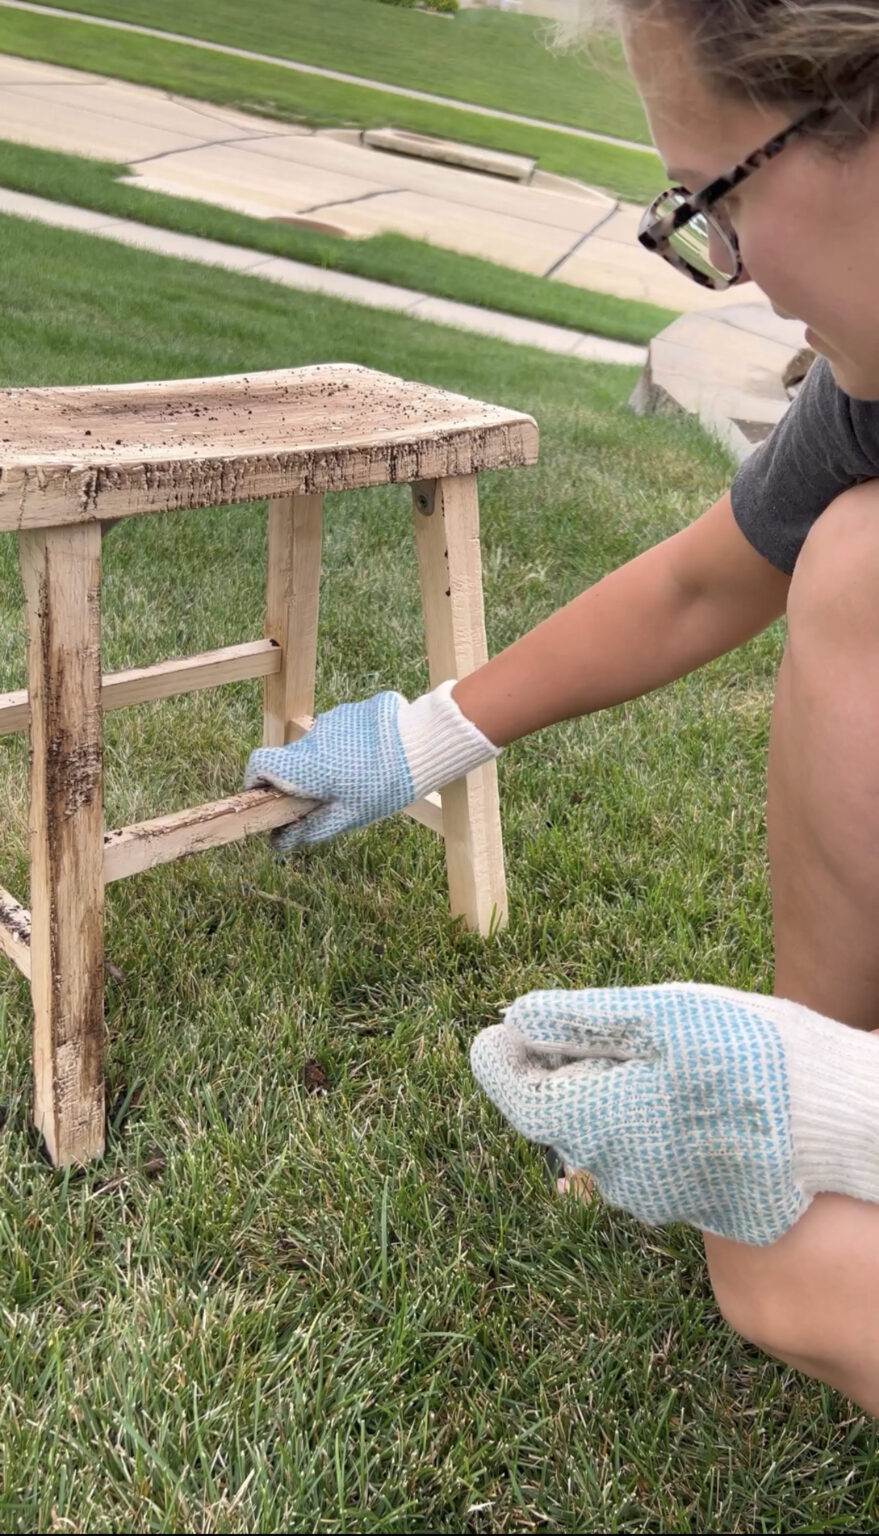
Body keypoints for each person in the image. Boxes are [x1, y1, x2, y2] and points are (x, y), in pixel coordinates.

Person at [244, 0, 879, 1418]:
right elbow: (704, 583)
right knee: (854, 555)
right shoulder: (872, 394)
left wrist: (850, 1119)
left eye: (715, 203)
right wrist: (421, 737)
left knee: (793, 1271)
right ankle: (803, 1100)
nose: (740, 276)